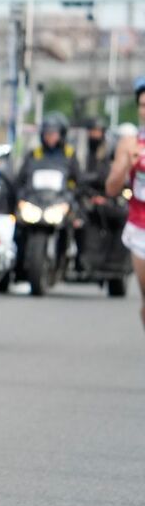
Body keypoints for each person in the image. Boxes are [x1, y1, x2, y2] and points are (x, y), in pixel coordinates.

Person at [104, 77, 145, 330]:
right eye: (142, 105)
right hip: (141, 227)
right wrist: (126, 164)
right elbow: (111, 187)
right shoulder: (130, 143)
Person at [13, 111, 81, 196]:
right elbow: (21, 180)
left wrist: (71, 194)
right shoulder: (34, 154)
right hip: (36, 200)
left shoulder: (69, 154)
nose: (50, 137)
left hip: (60, 200)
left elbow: (78, 181)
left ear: (61, 134)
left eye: (53, 134)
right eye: (47, 133)